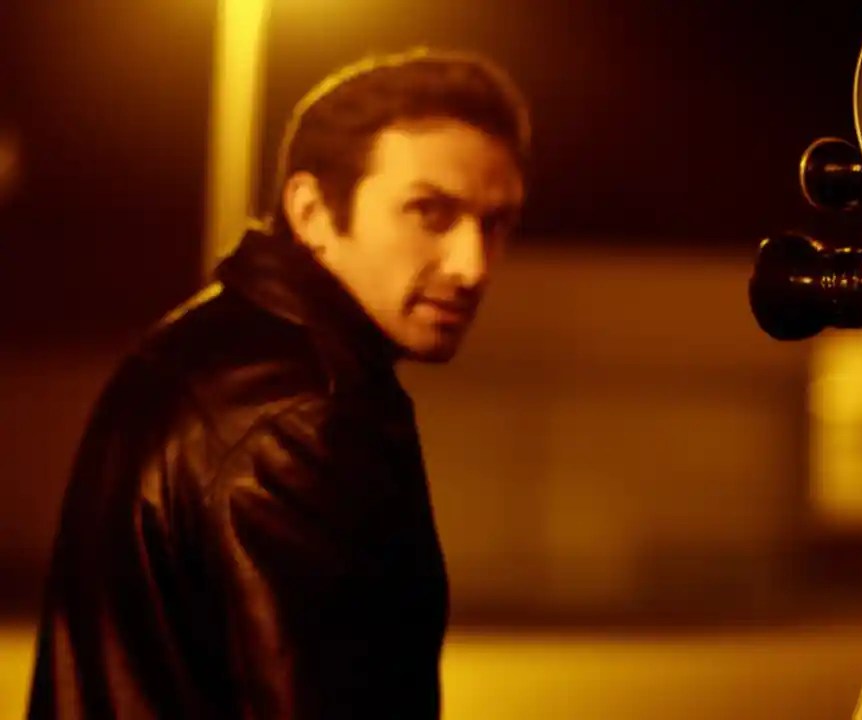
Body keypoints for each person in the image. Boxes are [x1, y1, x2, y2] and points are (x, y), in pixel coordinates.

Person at [26, 46, 530, 719]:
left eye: (494, 224)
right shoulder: (302, 415)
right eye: (430, 213)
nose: (472, 265)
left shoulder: (195, 350)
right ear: (313, 211)